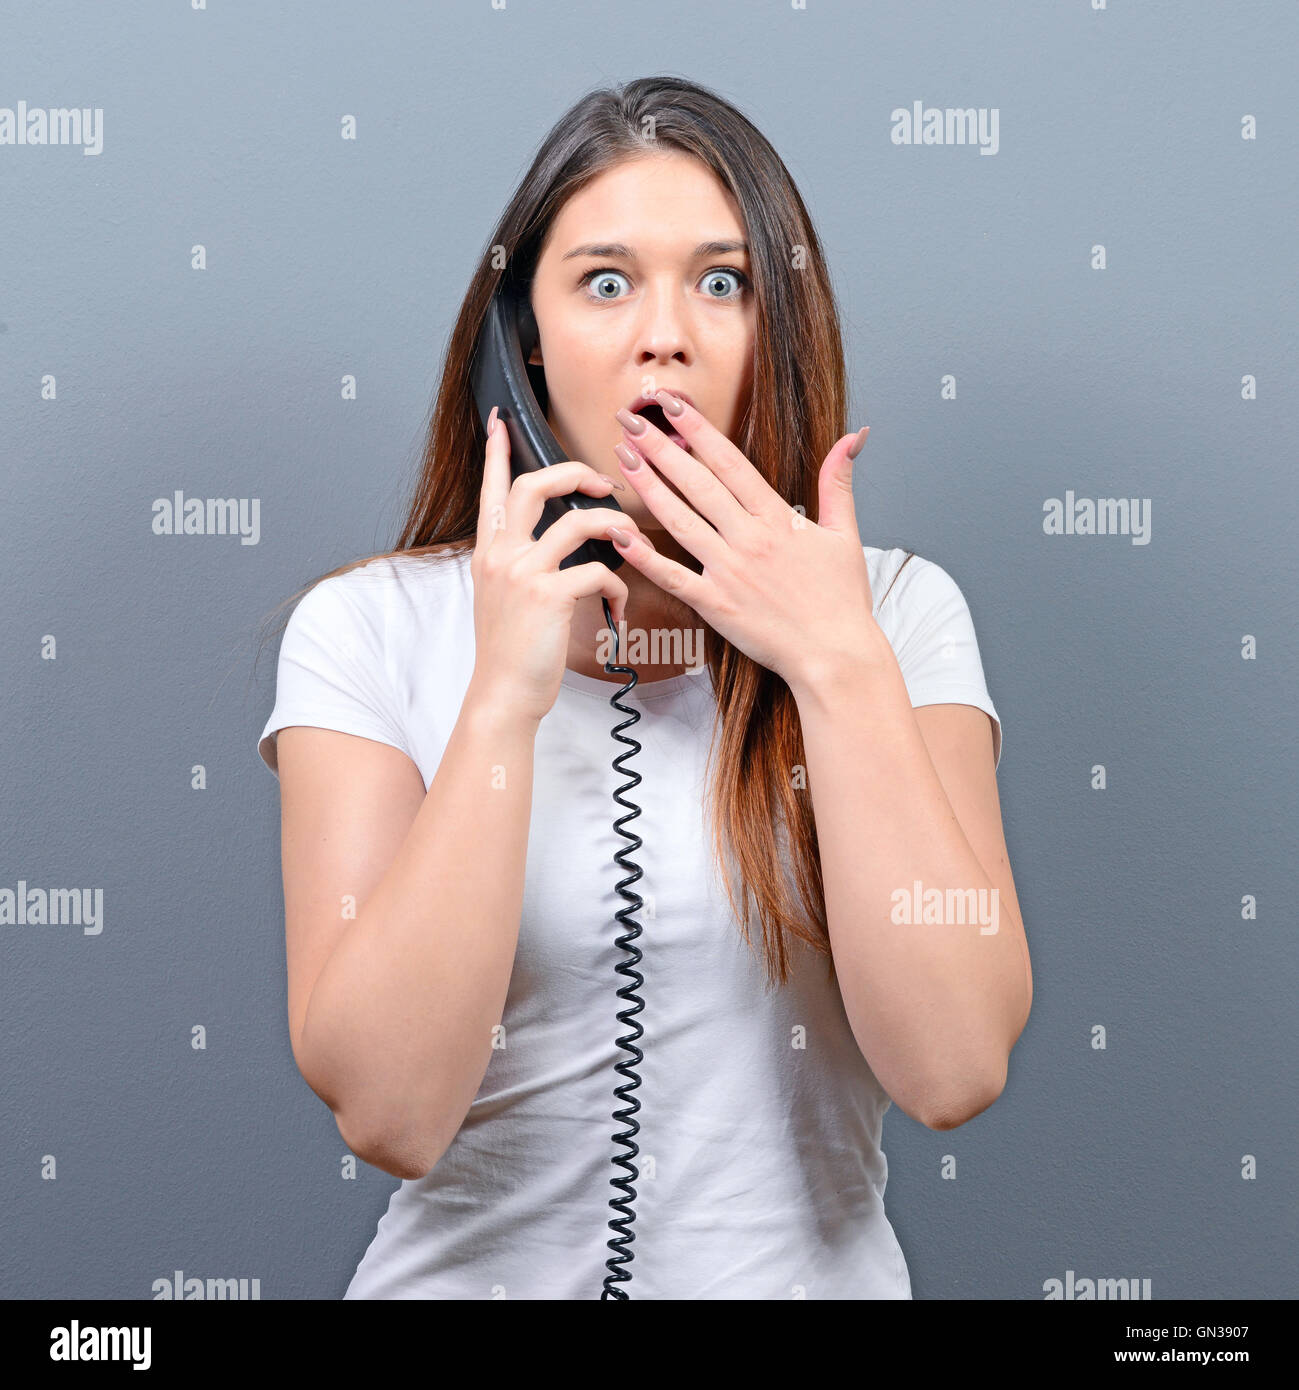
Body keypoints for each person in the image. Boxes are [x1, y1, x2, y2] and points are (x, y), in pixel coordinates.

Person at [255, 75, 1032, 1300]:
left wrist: (833, 664)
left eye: (721, 283)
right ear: (527, 345)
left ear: (773, 331)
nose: (663, 333)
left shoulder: (895, 616)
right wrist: (503, 694)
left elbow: (955, 1069)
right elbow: (391, 1112)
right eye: (605, 282)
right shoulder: (367, 628)